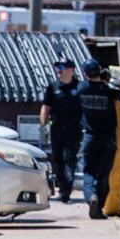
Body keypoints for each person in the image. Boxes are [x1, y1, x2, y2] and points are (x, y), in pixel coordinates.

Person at [78, 58, 120, 219]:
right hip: (108, 138)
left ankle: (91, 197)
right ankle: (99, 206)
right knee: (104, 174)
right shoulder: (108, 90)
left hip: (90, 136)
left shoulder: (82, 89)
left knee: (89, 171)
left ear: (85, 74)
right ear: (100, 70)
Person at [40, 58, 82, 204]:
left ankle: (66, 191)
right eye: (57, 68)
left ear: (71, 69)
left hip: (74, 129)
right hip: (56, 129)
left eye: (62, 67)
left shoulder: (80, 86)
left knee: (70, 159)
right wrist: (43, 125)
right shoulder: (53, 87)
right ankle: (63, 187)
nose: (59, 71)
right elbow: (46, 107)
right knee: (57, 160)